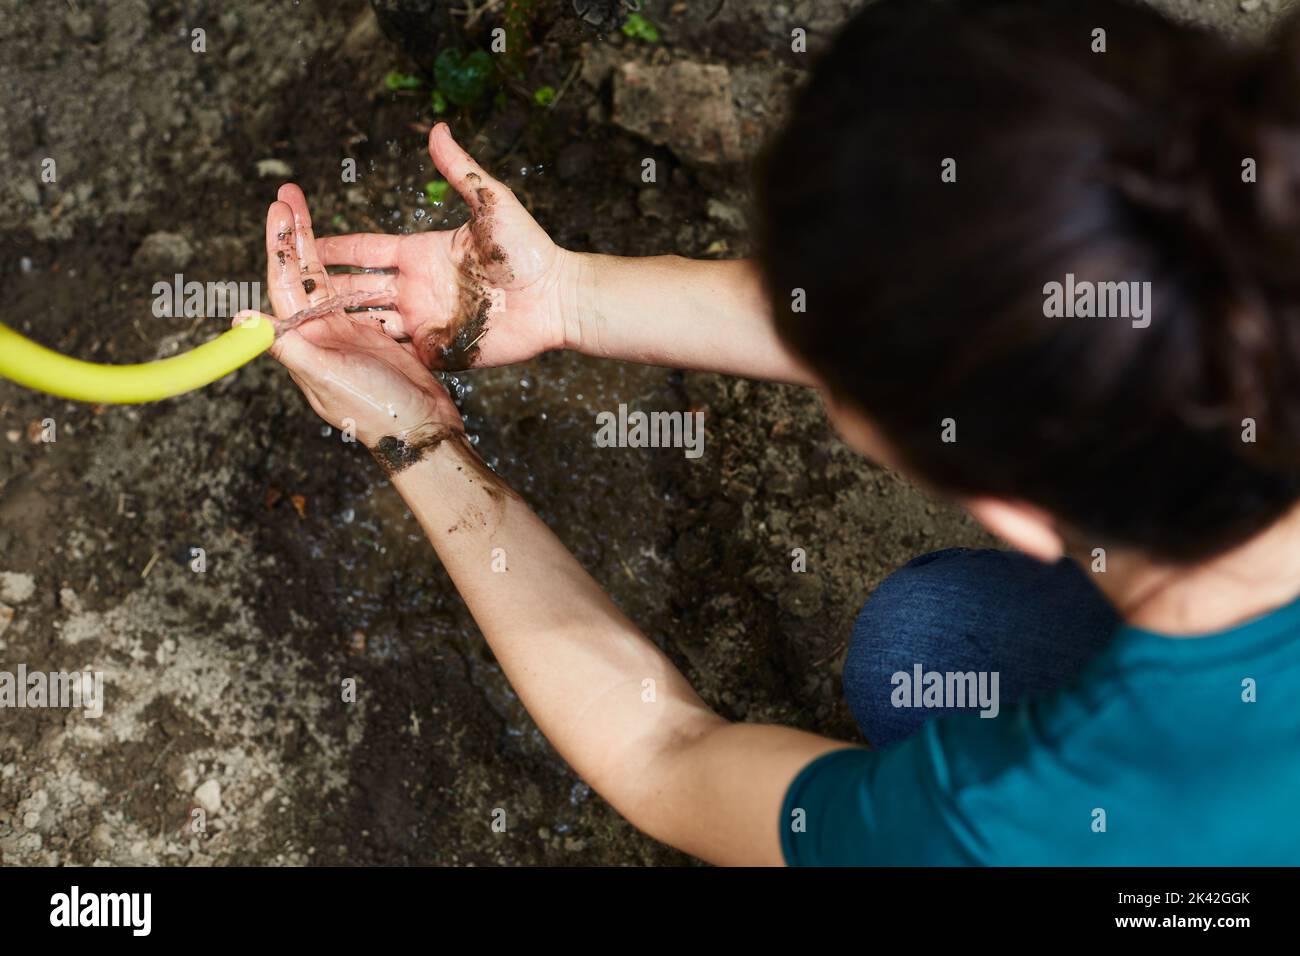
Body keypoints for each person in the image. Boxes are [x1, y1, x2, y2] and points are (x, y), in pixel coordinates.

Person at [237, 0, 1300, 865]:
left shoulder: (1026, 819)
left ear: (1011, 506)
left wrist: (418, 439)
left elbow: (666, 754)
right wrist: (566, 297)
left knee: (926, 652)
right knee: (929, 645)